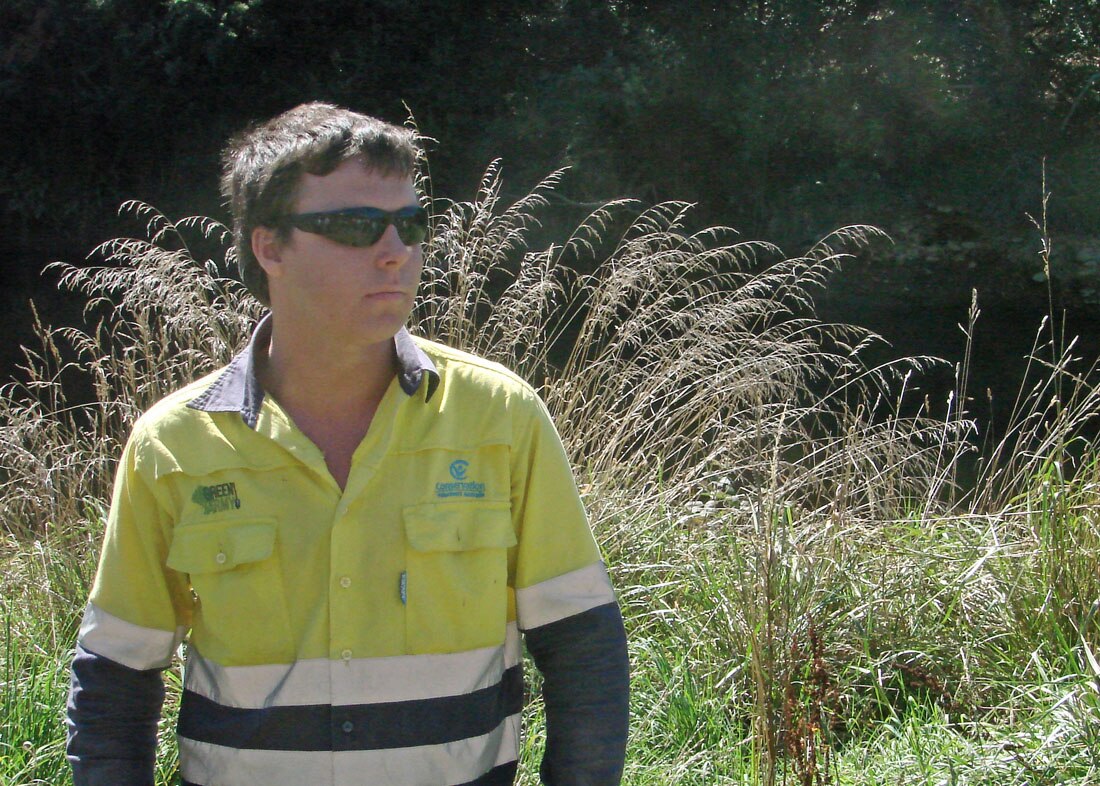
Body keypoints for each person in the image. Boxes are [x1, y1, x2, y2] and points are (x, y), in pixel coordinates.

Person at [66, 102, 629, 786]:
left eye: (410, 224)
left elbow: (582, 645)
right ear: (269, 246)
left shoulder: (500, 416)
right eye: (357, 227)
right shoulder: (174, 442)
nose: (395, 251)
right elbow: (116, 674)